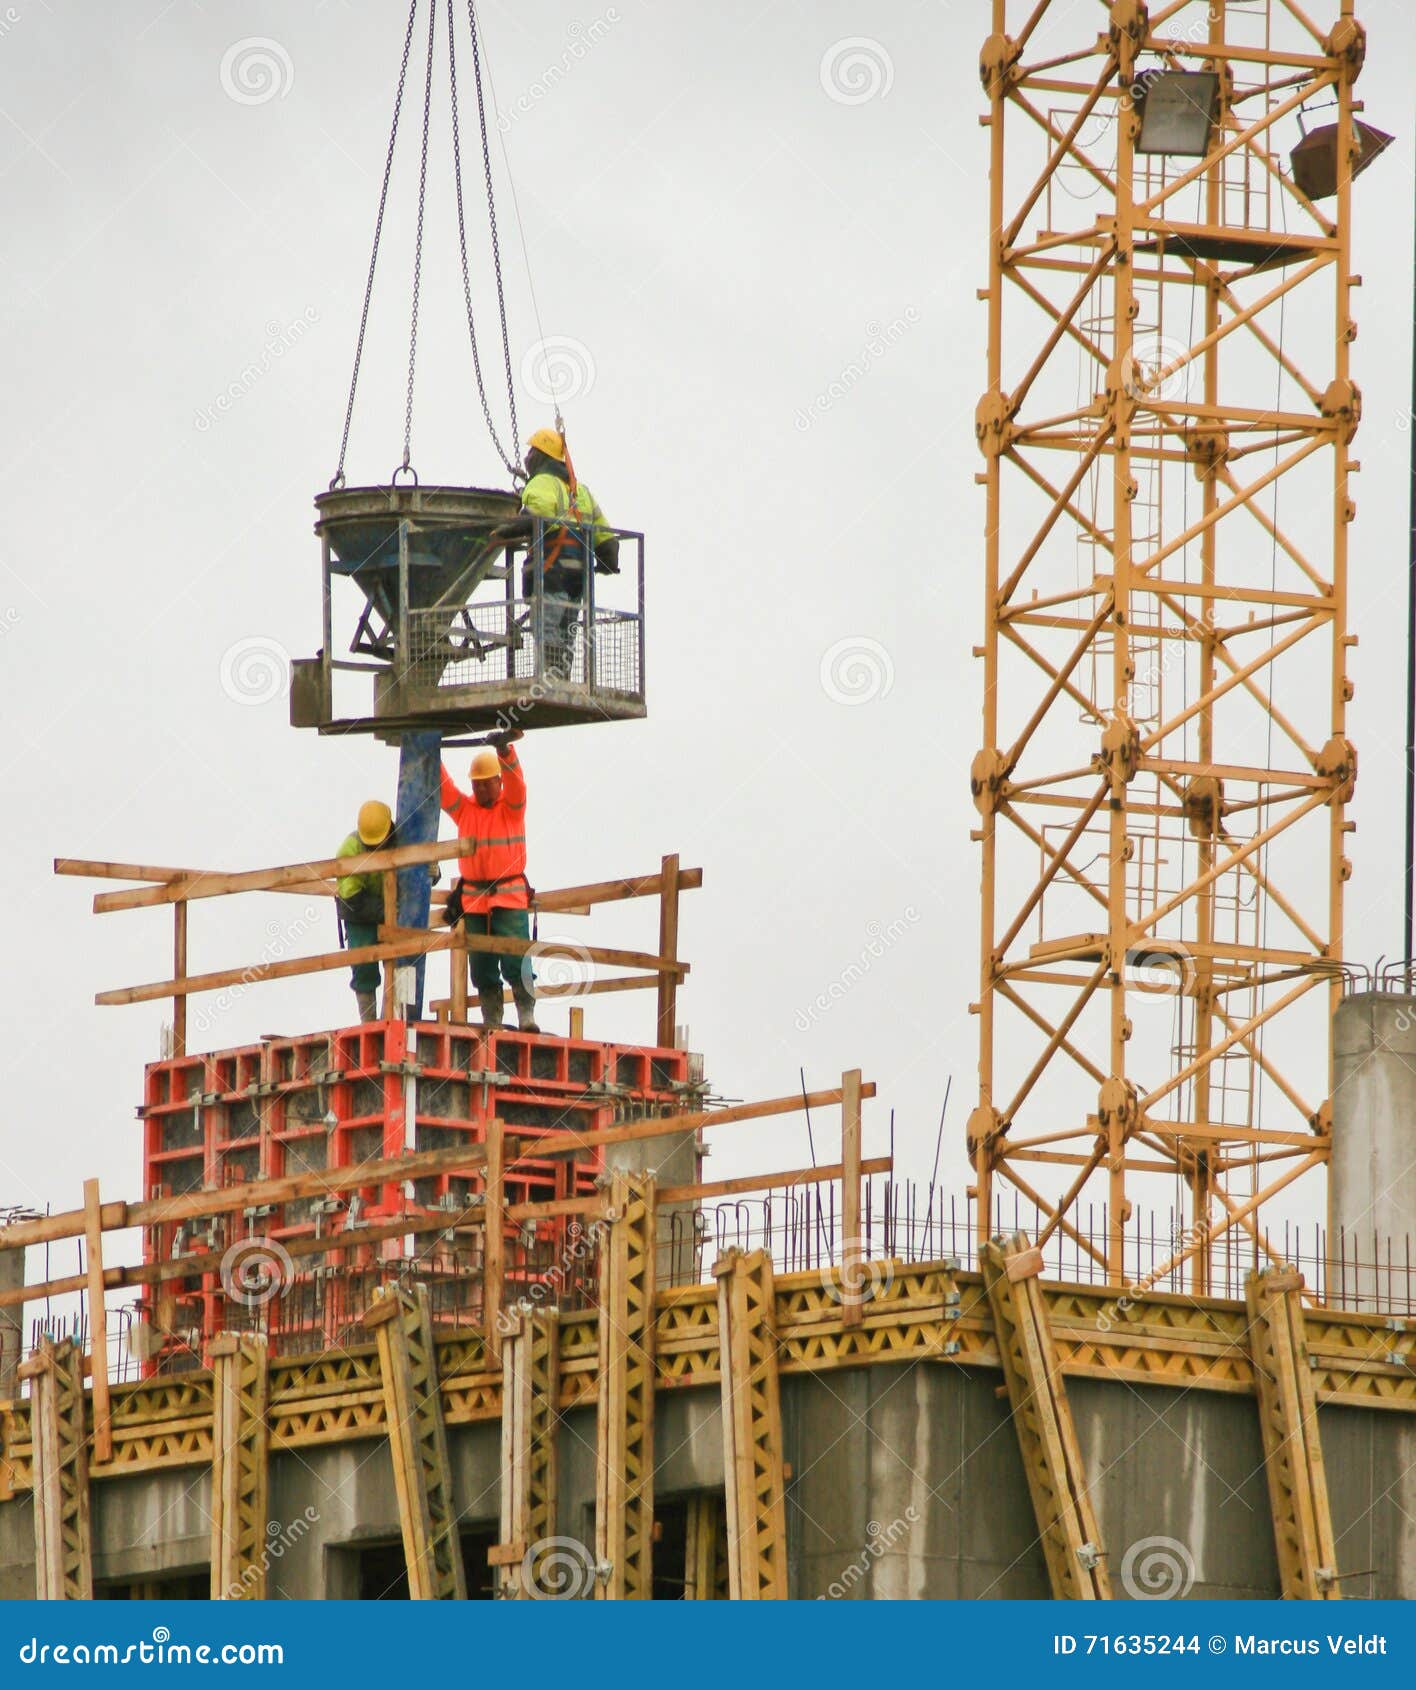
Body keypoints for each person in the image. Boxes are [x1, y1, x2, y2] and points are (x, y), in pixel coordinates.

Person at [494, 427, 618, 679]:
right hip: (578, 579)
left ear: (541, 456)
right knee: (566, 631)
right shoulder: (580, 491)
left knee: (548, 629)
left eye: (531, 451)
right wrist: (607, 560)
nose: (527, 457)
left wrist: (501, 532)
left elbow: (537, 514)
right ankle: (560, 679)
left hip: (550, 574)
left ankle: (549, 679)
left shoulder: (542, 483)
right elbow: (604, 534)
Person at [440, 729, 539, 1032]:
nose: (482, 790)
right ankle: (492, 1021)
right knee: (482, 966)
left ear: (498, 782)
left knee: (516, 959)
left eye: (487, 784)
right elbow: (443, 790)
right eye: (477, 785)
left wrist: (505, 753)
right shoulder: (465, 810)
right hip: (474, 902)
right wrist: (429, 750)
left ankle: (526, 1016)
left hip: (509, 897)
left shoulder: (511, 808)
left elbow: (517, 785)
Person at [336, 800, 396, 1023]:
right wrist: (387, 910)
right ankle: (369, 1022)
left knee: (403, 960)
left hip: (389, 903)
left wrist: (431, 871)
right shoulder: (350, 850)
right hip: (359, 911)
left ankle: (395, 1016)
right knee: (363, 963)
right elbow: (353, 900)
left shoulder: (400, 840)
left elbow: (417, 874)